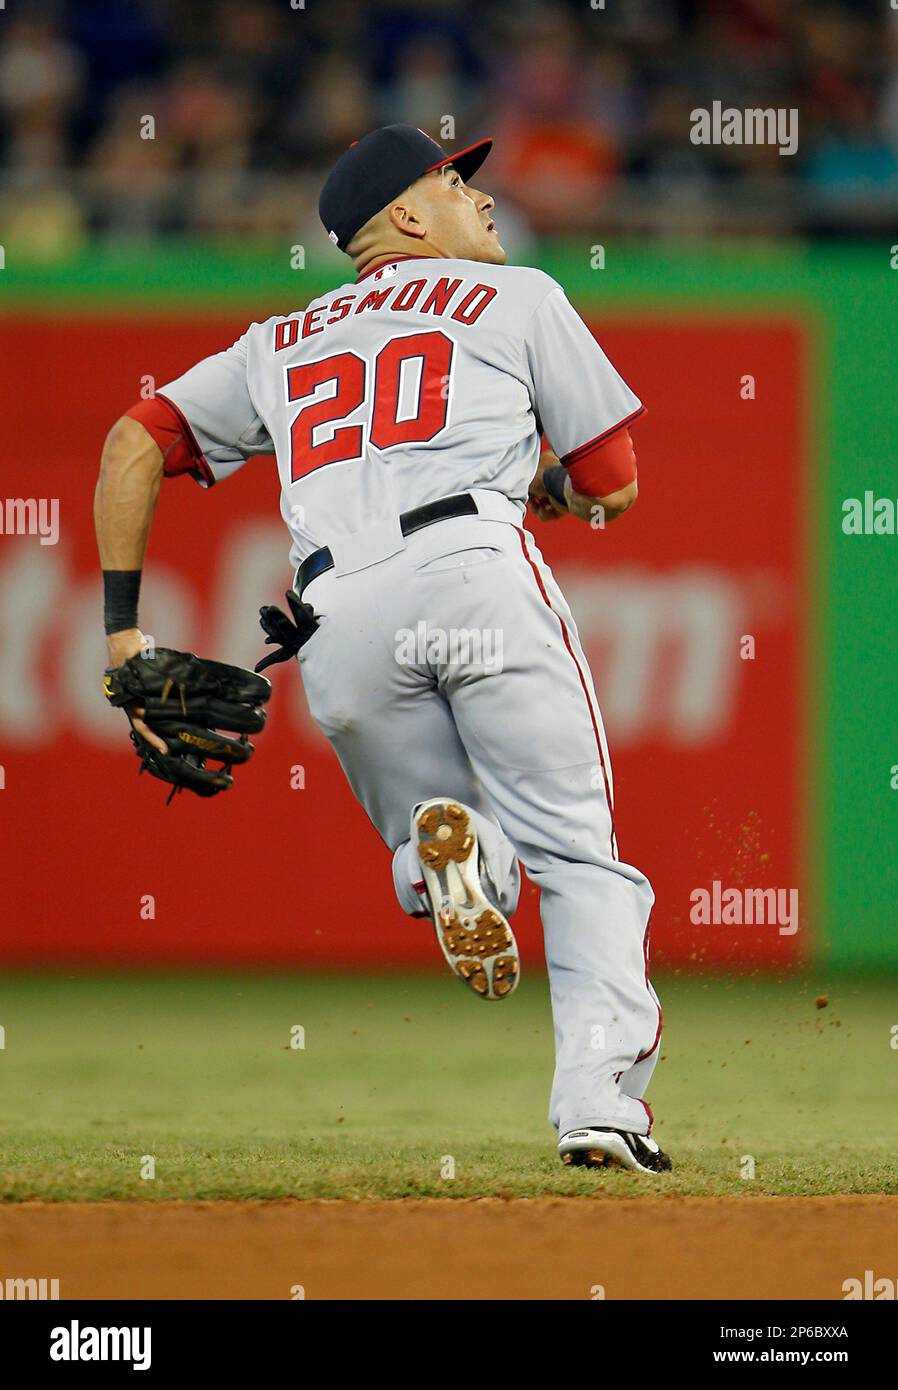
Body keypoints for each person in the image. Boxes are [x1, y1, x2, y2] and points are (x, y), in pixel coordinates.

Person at [95, 125, 668, 1174]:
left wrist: (124, 635)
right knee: (578, 855)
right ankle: (596, 1103)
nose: (483, 199)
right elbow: (613, 478)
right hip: (471, 563)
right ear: (407, 215)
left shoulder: (282, 340)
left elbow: (134, 438)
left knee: (446, 848)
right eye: (456, 182)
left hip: (336, 614)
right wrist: (549, 488)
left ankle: (443, 842)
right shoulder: (522, 296)